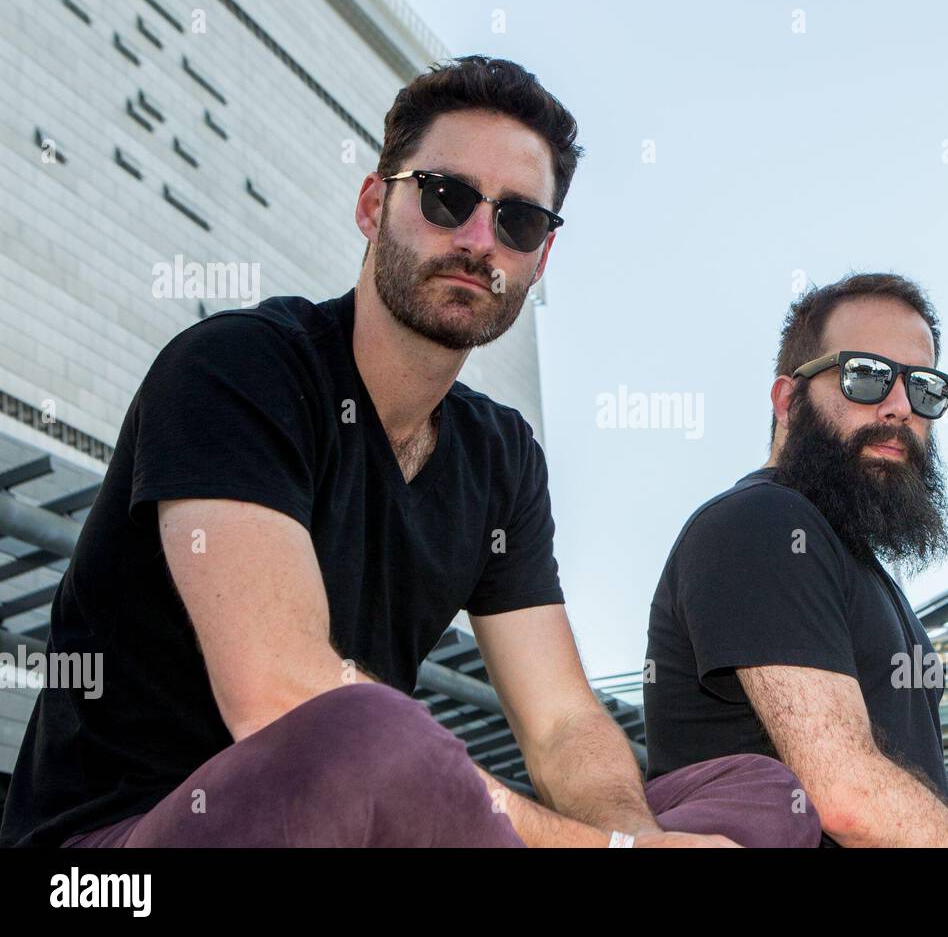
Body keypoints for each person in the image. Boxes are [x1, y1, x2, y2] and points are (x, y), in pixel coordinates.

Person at [0, 56, 818, 849]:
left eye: (518, 219)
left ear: (541, 257)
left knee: (754, 791)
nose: (478, 239)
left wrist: (635, 839)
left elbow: (561, 720)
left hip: (377, 808)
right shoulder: (237, 368)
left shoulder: (500, 456)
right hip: (117, 850)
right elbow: (280, 699)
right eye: (445, 196)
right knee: (367, 730)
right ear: (372, 206)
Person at [642, 272, 948, 846]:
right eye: (866, 377)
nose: (901, 407)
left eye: (924, 388)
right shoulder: (761, 524)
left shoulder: (846, 558)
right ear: (788, 400)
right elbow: (845, 796)